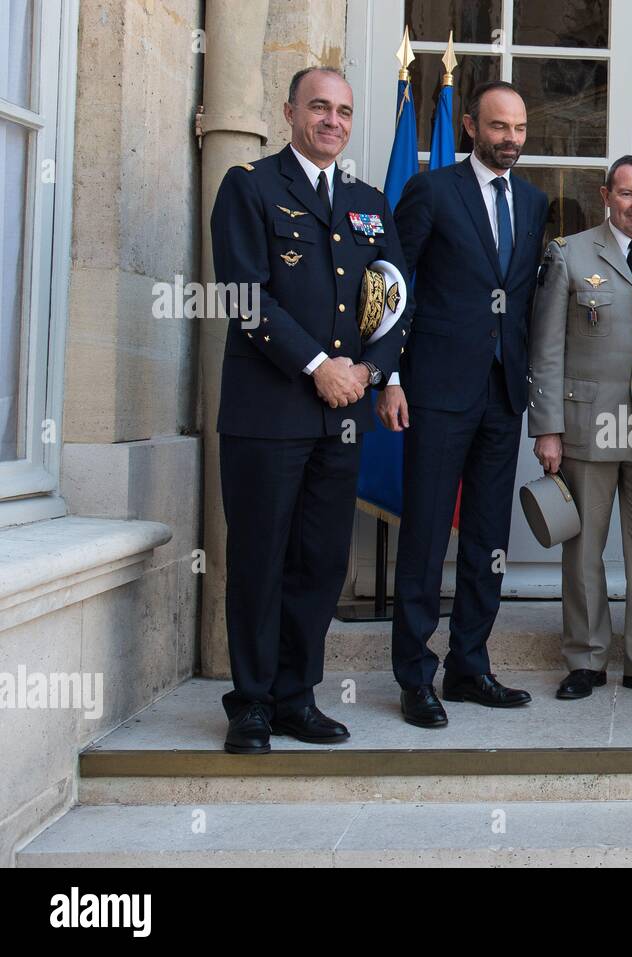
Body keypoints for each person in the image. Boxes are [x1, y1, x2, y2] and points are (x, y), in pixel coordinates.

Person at [211, 66, 409, 754]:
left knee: (322, 563)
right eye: (319, 107)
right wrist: (318, 365)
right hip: (268, 415)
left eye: (344, 111)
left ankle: (298, 697)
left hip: (342, 417)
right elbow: (244, 297)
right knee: (261, 560)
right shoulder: (251, 187)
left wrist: (373, 371)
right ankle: (252, 704)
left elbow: (395, 299)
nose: (333, 120)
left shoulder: (369, 202)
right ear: (290, 110)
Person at [379, 81, 549, 726]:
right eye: (499, 126)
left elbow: (526, 297)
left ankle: (469, 667)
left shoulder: (533, 202)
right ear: (471, 128)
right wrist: (390, 376)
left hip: (503, 395)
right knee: (424, 535)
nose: (510, 139)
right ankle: (414, 676)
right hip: (437, 392)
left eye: (520, 128)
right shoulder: (431, 191)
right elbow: (393, 284)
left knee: (486, 538)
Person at [528, 156, 632, 701]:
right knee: (583, 549)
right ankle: (585, 658)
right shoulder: (570, 253)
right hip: (587, 422)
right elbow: (547, 347)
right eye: (627, 195)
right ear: (607, 195)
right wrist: (547, 428)